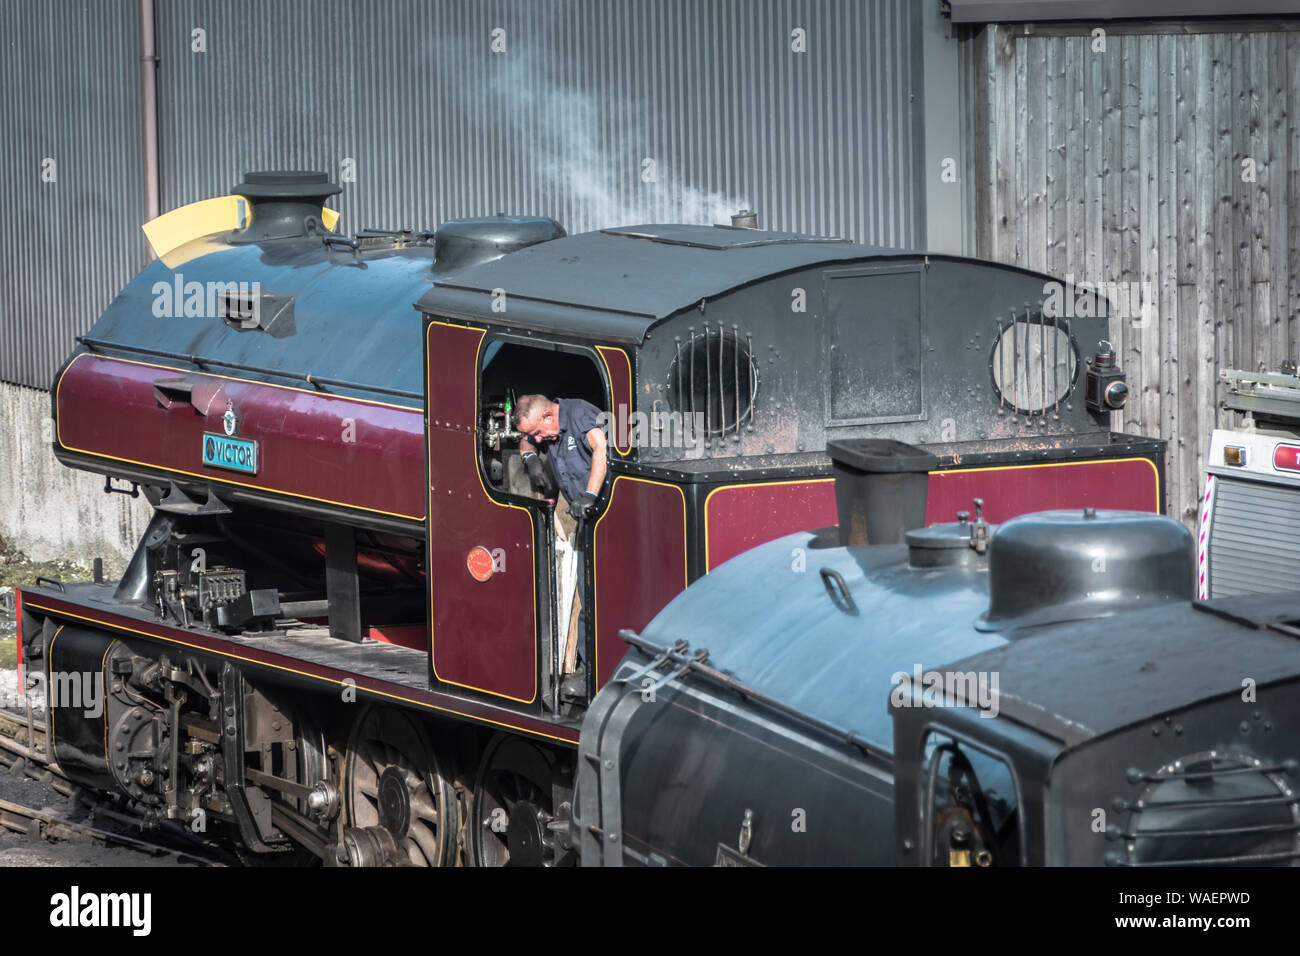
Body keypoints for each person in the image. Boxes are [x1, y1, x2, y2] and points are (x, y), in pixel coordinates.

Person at [512, 395, 607, 689]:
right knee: (584, 589)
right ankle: (587, 668)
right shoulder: (545, 430)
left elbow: (601, 449)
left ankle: (597, 670)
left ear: (549, 416)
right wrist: (529, 457)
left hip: (605, 511)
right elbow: (528, 440)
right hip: (582, 519)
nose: (539, 440)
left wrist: (590, 495)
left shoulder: (578, 413)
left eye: (539, 432)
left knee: (595, 594)